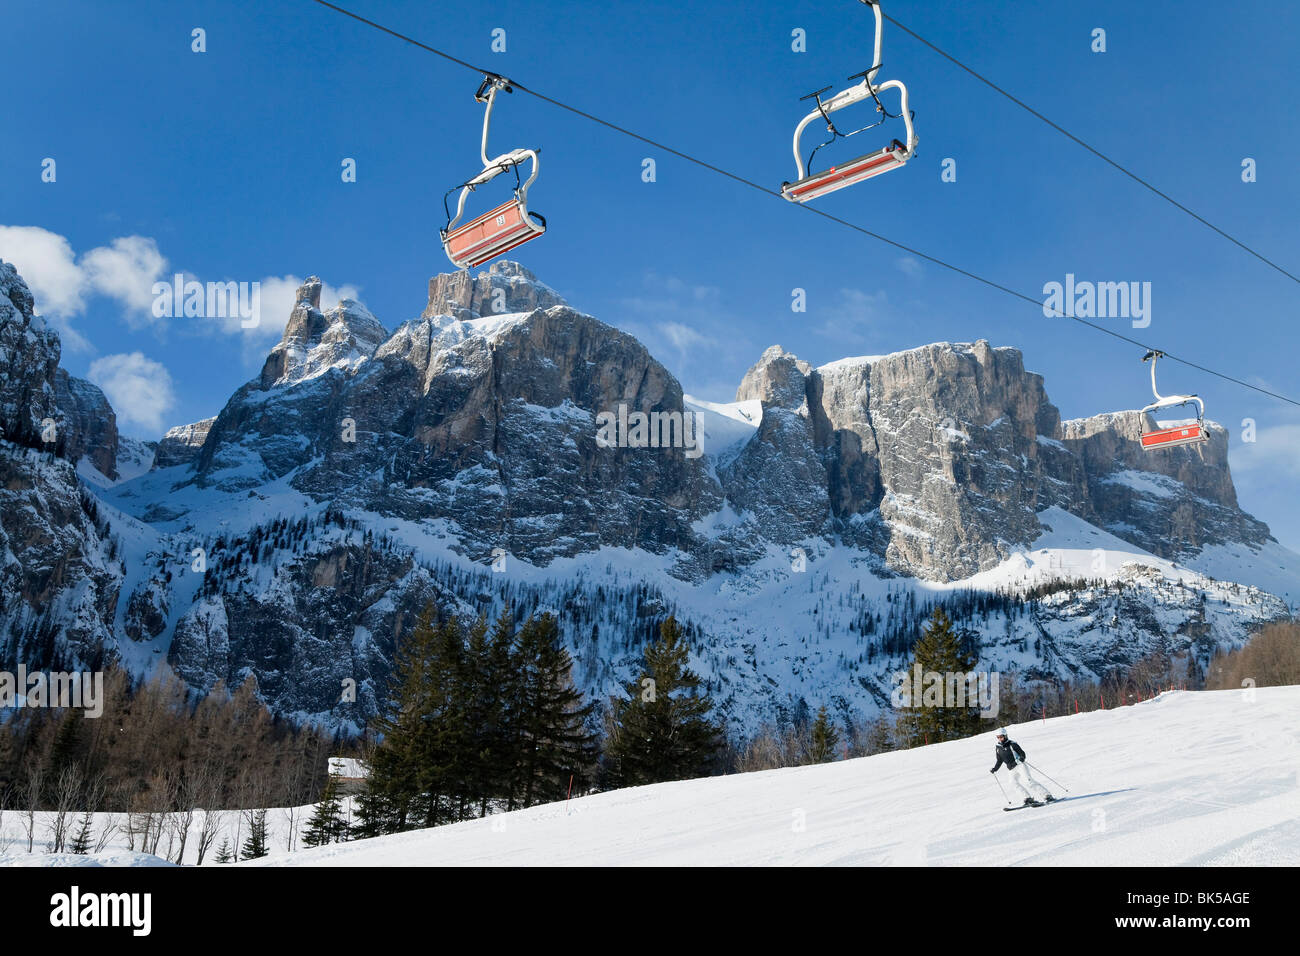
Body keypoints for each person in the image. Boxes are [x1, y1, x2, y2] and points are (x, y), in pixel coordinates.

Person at [990, 728, 1053, 805]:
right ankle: (1027, 798)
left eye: (1001, 737)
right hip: (1011, 769)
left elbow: (1022, 753)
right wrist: (995, 769)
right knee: (1013, 783)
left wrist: (1022, 758)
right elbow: (999, 760)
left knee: (1028, 781)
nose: (1000, 739)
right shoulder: (998, 747)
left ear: (1005, 736)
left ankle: (1047, 796)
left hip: (1019, 765)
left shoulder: (1012, 744)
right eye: (998, 737)